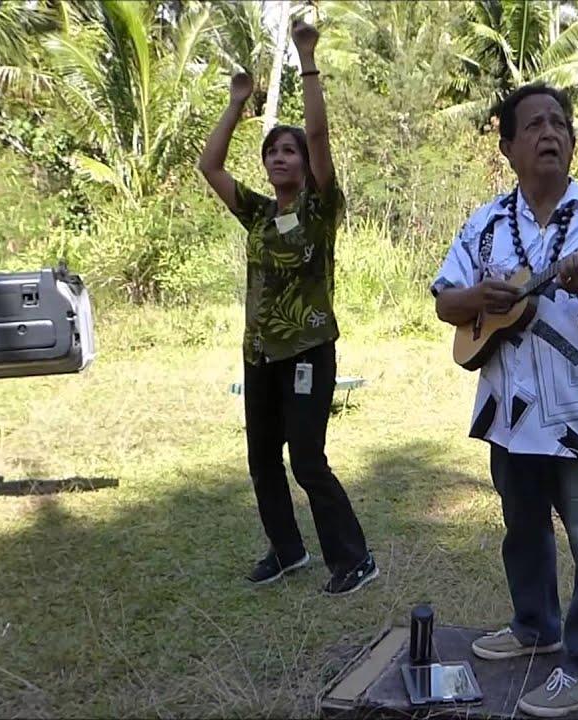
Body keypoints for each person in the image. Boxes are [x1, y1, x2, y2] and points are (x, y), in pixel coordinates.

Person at [430, 83, 578, 717]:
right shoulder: (484, 225)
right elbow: (446, 301)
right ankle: (535, 625)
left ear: (573, 143)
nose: (549, 133)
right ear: (507, 146)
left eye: (559, 123)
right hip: (508, 415)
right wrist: (482, 298)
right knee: (522, 531)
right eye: (533, 125)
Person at [197, 19, 377, 596]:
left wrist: (307, 57)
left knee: (307, 459)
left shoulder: (321, 207)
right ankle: (287, 549)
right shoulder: (257, 212)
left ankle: (353, 558)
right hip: (258, 354)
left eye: (289, 150)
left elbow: (320, 135)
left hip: (307, 350)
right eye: (272, 150)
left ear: (304, 163)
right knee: (262, 459)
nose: (280, 157)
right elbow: (210, 167)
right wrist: (236, 103)